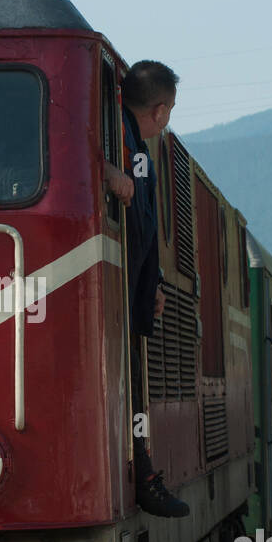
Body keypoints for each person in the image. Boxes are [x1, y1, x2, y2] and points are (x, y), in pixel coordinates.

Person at [102, 60, 185, 517]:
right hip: (117, 291)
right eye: (169, 110)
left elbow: (146, 225)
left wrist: (152, 283)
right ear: (161, 109)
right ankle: (144, 474)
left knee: (134, 382)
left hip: (132, 289)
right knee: (130, 384)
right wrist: (105, 168)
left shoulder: (133, 145)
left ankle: (146, 470)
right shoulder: (113, 133)